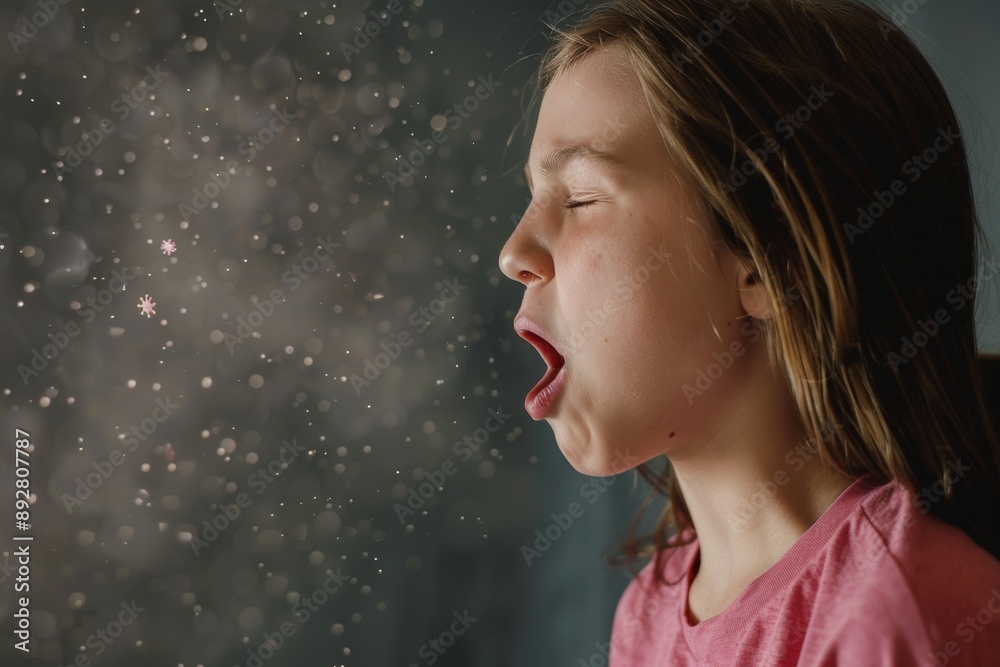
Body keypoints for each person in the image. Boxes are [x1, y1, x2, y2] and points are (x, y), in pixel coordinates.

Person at [497, 0, 1000, 664]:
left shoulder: (903, 614)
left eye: (582, 198)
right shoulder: (647, 614)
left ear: (771, 263)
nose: (513, 252)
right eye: (531, 198)